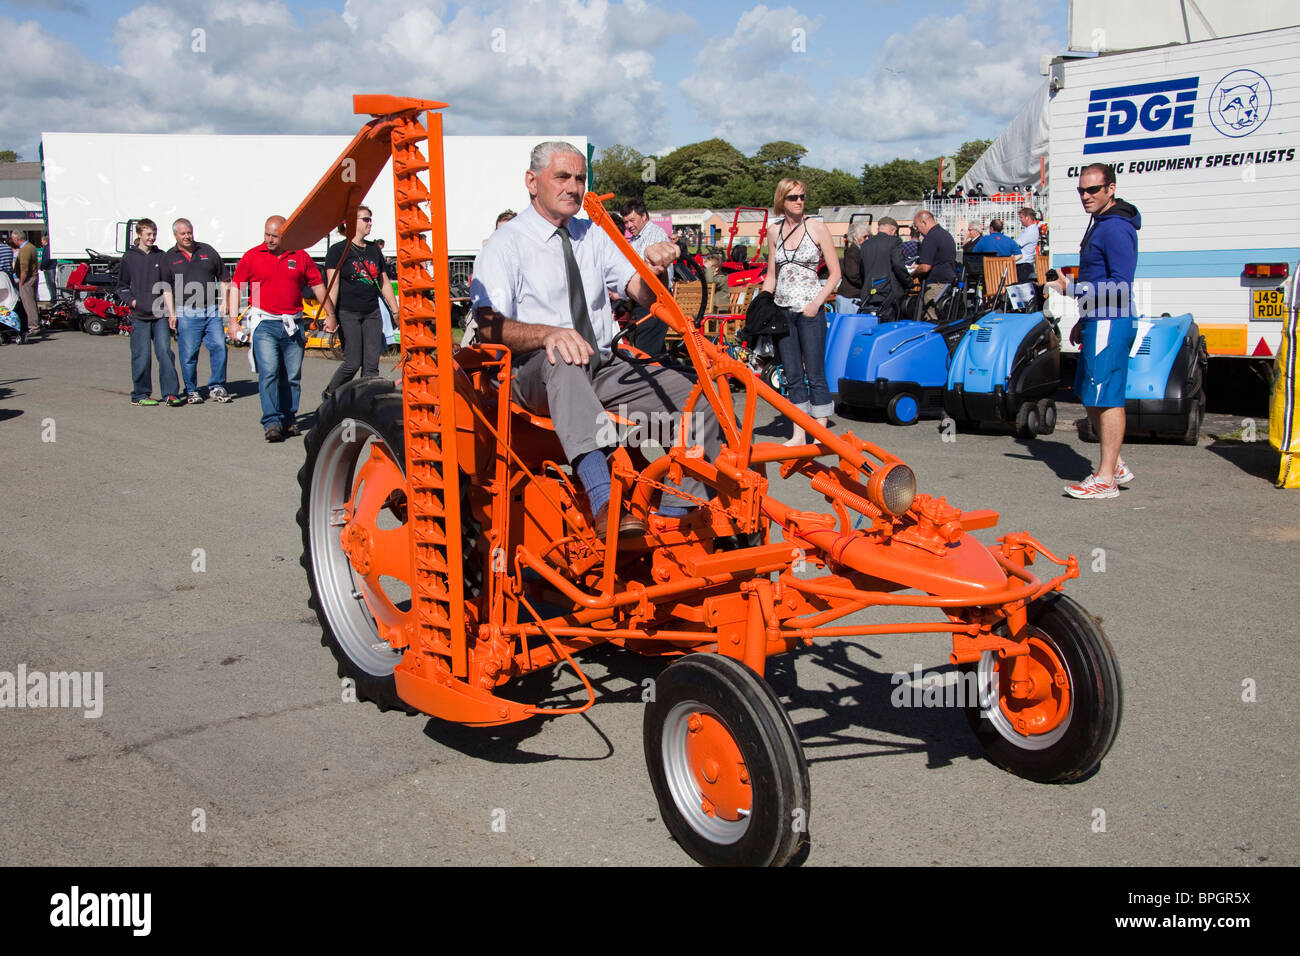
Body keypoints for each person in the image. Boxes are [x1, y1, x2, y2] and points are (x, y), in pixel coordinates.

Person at [470, 141, 722, 536]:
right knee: (564, 356)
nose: (574, 187)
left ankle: (678, 517)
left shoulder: (594, 235)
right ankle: (604, 501)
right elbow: (487, 325)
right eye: (562, 177)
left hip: (602, 364)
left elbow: (639, 290)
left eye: (580, 179)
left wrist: (653, 266)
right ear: (532, 183)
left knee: (698, 395)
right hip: (530, 373)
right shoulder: (507, 244)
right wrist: (549, 334)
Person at [1049, 163, 1140, 500]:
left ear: (1110, 189)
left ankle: (1106, 479)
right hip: (1097, 320)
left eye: (1093, 190)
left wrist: (1071, 289)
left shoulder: (1115, 227)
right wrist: (1082, 318)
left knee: (1107, 397)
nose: (1086, 196)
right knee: (1090, 394)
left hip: (1110, 321)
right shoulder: (1101, 222)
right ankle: (1113, 464)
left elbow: (1120, 284)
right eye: (1081, 191)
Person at [230, 216, 330, 442]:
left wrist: (330, 314)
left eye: (274, 236)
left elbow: (317, 285)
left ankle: (288, 417)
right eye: (267, 234)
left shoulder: (300, 256)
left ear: (285, 235)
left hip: (293, 324)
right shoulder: (253, 256)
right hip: (265, 323)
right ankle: (272, 421)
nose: (269, 239)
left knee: (292, 375)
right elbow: (236, 286)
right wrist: (233, 320)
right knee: (270, 371)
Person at [762, 179, 840, 446]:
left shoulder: (816, 227)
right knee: (792, 374)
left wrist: (817, 303)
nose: (799, 201)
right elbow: (772, 274)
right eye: (793, 197)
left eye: (802, 197)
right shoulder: (774, 232)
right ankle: (799, 433)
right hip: (783, 310)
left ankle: (820, 434)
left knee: (815, 373)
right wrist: (762, 301)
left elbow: (835, 272)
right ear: (781, 200)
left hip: (810, 309)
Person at [321, 205, 400, 401]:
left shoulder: (373, 249)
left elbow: (384, 282)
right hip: (348, 312)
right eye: (365, 219)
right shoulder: (338, 250)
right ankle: (331, 394)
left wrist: (395, 311)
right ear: (352, 223)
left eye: (370, 219)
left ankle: (366, 403)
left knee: (372, 364)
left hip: (372, 311)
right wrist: (330, 315)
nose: (370, 223)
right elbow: (333, 285)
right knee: (352, 362)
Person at [164, 218, 231, 404]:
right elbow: (166, 288)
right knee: (189, 354)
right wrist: (171, 312)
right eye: (183, 233)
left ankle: (217, 386)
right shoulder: (169, 257)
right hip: (186, 312)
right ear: (175, 235)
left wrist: (225, 302)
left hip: (211, 310)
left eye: (189, 232)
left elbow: (224, 278)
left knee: (219, 347)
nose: (187, 236)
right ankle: (192, 390)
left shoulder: (207, 251)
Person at [117, 219, 180, 405]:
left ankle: (170, 393)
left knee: (165, 353)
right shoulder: (129, 257)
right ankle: (140, 394)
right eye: (148, 234)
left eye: (154, 234)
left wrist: (172, 313)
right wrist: (134, 302)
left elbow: (166, 287)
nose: (152, 237)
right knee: (142, 355)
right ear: (139, 235)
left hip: (159, 315)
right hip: (139, 316)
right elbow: (121, 287)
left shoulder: (160, 256)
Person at [620, 199, 673, 356]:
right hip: (642, 299)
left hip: (654, 300)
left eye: (632, 220)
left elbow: (648, 269)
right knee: (654, 349)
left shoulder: (654, 235)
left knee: (646, 352)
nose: (629, 226)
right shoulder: (637, 238)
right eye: (626, 222)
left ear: (644, 216)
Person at [857, 216, 910, 321]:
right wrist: (908, 282)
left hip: (868, 292)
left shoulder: (866, 244)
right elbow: (898, 265)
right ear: (893, 230)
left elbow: (862, 269)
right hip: (888, 293)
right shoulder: (894, 241)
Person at [909, 211, 956, 321]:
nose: (918, 231)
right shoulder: (945, 234)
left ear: (924, 222)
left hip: (935, 285)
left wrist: (912, 273)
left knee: (931, 320)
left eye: (917, 227)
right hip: (947, 282)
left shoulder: (930, 237)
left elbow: (925, 267)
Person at [834, 221, 869, 313]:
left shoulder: (860, 251)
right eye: (864, 237)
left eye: (868, 236)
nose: (867, 239)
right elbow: (853, 275)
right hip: (849, 297)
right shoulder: (853, 252)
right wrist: (866, 285)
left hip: (853, 296)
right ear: (855, 237)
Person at [12, 231, 40, 344]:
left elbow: (24, 268)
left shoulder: (25, 249)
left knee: (28, 303)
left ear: (16, 239)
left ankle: (33, 326)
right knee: (32, 301)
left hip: (27, 279)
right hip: (32, 277)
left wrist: (22, 282)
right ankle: (34, 324)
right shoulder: (31, 247)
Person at [1015, 206, 1041, 283]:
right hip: (1022, 264)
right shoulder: (1028, 230)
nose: (1020, 220)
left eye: (1021, 217)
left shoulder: (1030, 231)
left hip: (1024, 265)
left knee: (1023, 289)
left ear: (1028, 218)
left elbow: (1016, 244)